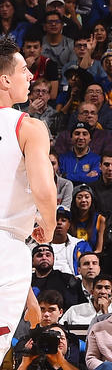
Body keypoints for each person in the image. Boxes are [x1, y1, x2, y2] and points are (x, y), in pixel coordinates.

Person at [0, 36, 59, 340]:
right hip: (8, 244)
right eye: (23, 70)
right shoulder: (28, 127)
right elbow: (45, 192)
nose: (29, 76)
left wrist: (28, 296)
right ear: (5, 80)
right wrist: (48, 227)